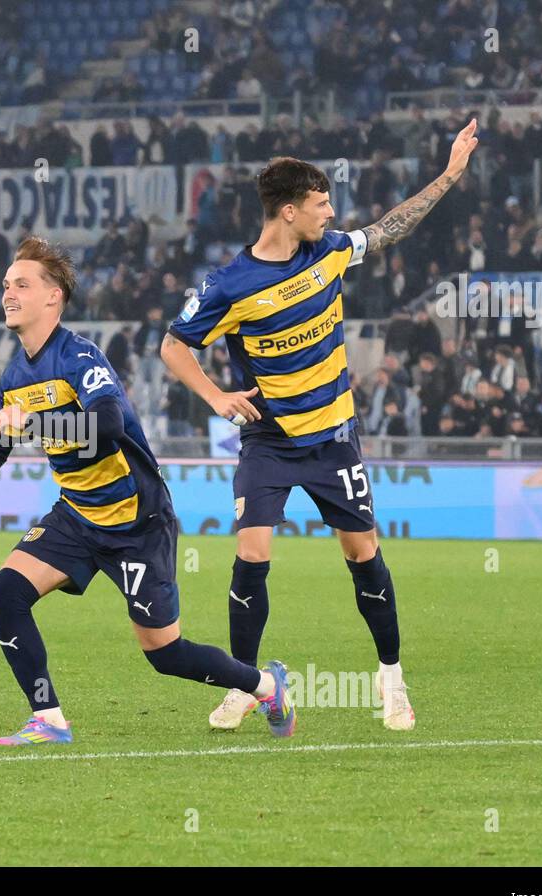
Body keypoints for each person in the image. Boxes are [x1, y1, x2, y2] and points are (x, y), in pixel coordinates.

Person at [159, 120, 479, 733]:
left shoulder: (329, 254)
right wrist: (215, 395)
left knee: (364, 557)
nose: (331, 214)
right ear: (287, 212)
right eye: (321, 204)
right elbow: (174, 345)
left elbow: (392, 227)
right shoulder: (229, 284)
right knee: (250, 556)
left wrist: (449, 175)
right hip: (269, 443)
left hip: (334, 438)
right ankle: (246, 683)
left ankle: (392, 679)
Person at [0, 236, 295, 747]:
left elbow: (109, 425)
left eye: (22, 284)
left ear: (53, 297)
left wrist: (35, 423)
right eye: (6, 285)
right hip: (76, 515)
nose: (9, 293)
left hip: (137, 522)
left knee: (166, 655)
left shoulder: (79, 356)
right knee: (5, 594)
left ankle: (265, 686)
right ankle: (48, 719)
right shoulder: (15, 374)